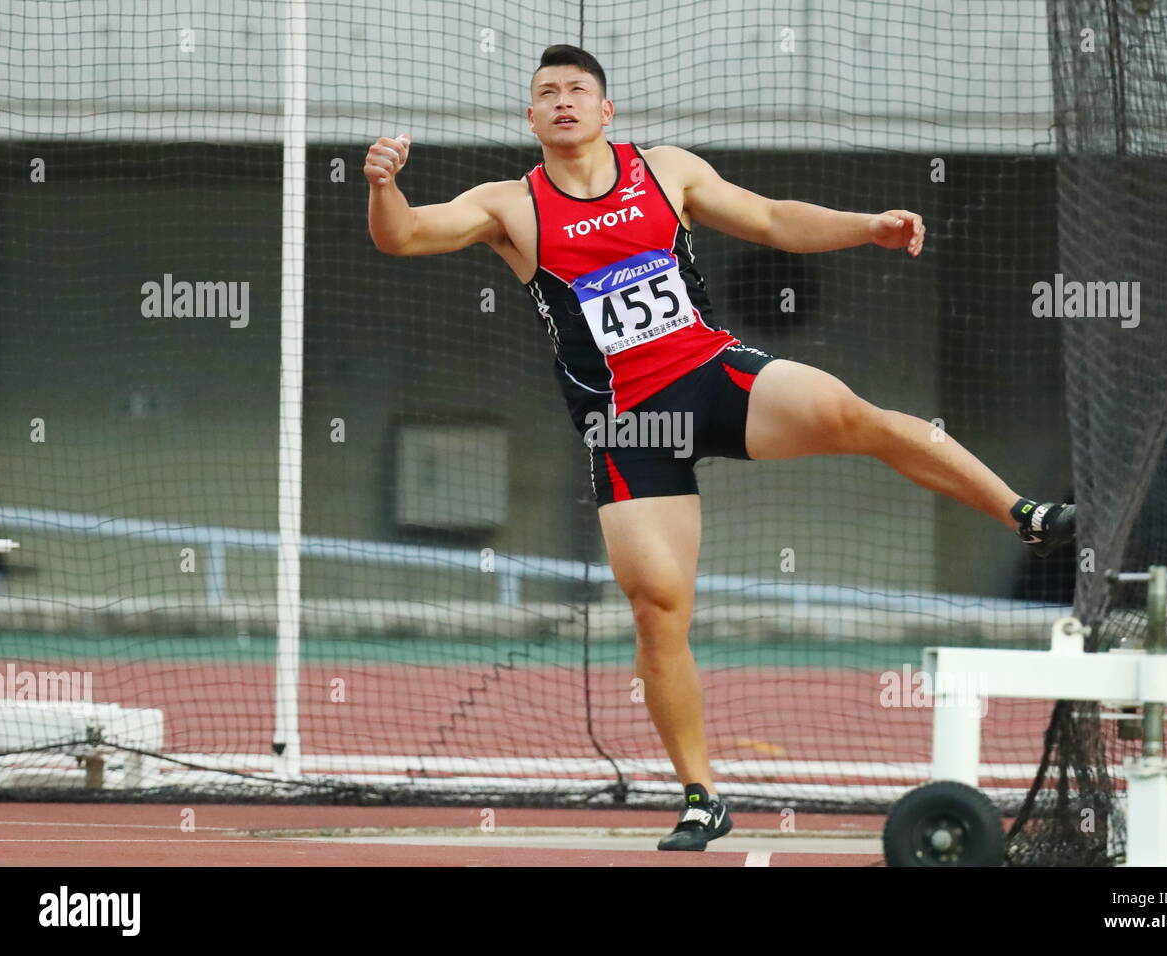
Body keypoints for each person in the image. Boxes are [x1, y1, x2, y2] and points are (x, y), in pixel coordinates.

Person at [364, 44, 1075, 851]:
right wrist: (385, 187)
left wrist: (866, 227)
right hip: (628, 425)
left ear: (607, 111)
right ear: (530, 118)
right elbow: (406, 238)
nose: (563, 101)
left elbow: (771, 217)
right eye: (546, 93)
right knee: (659, 610)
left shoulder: (665, 172)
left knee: (856, 416)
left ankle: (1025, 511)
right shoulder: (510, 206)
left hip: (711, 374)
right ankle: (702, 796)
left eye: (578, 91)